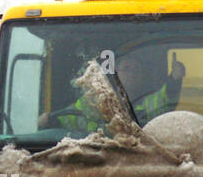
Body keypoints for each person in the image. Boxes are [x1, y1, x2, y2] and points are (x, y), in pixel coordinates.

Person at [40, 48, 185, 133]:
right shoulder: (93, 101)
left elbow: (165, 98)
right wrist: (50, 121)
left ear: (142, 77)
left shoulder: (148, 103)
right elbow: (68, 118)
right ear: (116, 74)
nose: (131, 74)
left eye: (136, 70)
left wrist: (174, 79)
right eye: (126, 69)